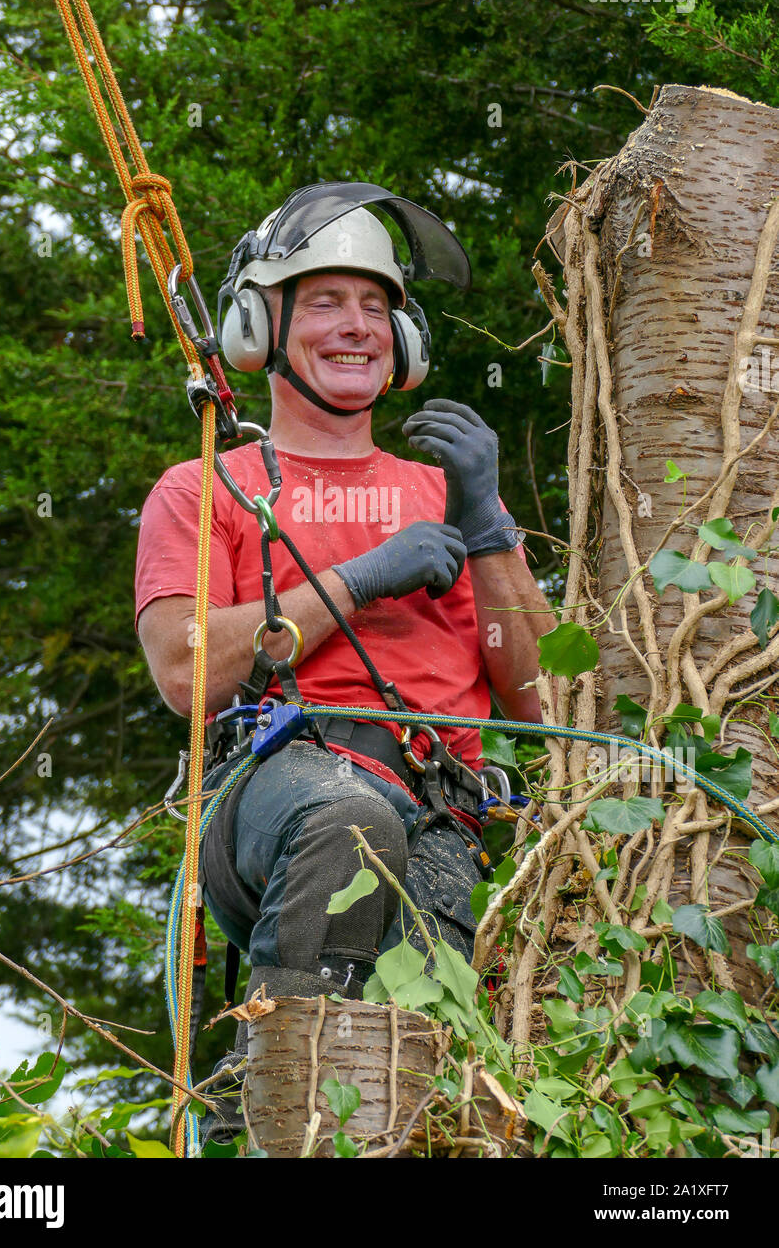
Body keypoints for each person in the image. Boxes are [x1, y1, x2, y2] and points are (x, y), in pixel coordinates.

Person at [135, 183, 556, 1136]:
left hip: (445, 804)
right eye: (326, 301)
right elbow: (184, 672)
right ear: (259, 324)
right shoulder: (206, 489)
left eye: (378, 307)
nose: (358, 326)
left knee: (433, 1021)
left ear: (405, 345)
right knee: (352, 820)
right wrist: (356, 581)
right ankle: (283, 1125)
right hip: (285, 790)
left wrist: (487, 526)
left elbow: (542, 698)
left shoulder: (440, 493)